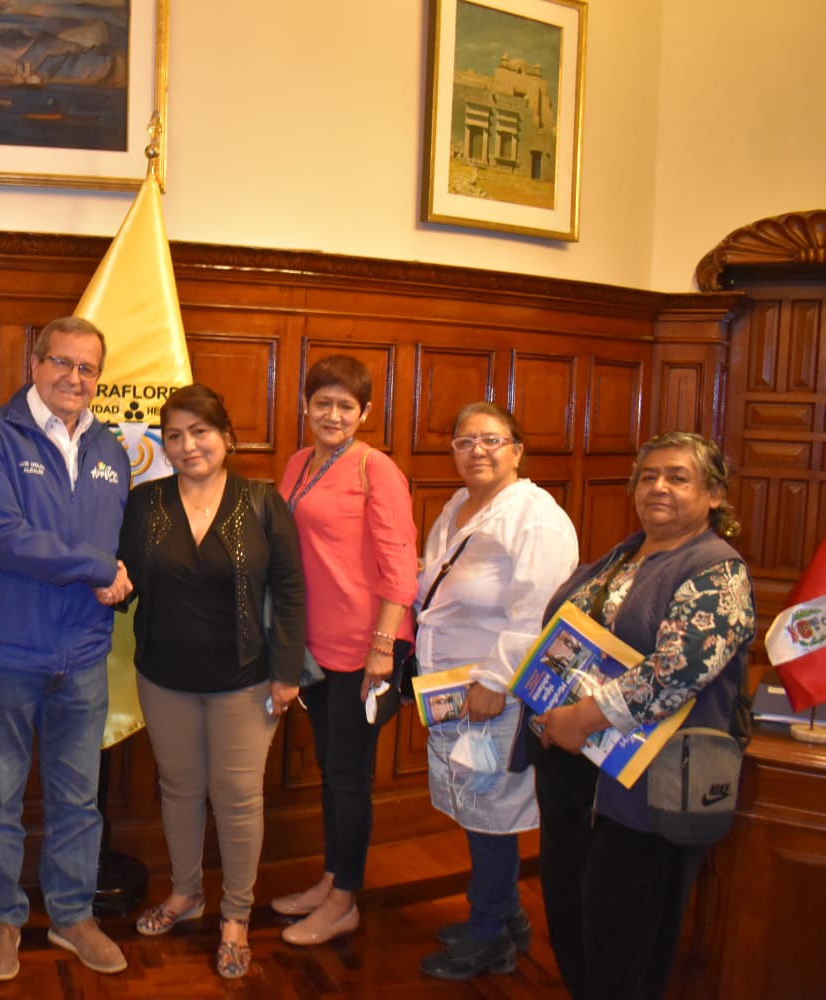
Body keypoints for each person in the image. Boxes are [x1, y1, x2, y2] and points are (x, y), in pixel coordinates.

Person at [530, 432, 755, 1000]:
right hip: (576, 771)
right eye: (648, 476)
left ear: (715, 495)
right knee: (573, 913)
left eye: (677, 477)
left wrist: (582, 717)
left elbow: (677, 673)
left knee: (625, 935)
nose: (658, 486)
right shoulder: (626, 553)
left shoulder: (716, 570)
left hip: (648, 785)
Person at [0, 316, 133, 982]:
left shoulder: (111, 450)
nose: (75, 378)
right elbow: (1, 536)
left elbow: (120, 547)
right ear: (35, 364)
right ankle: (4, 920)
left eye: (88, 368)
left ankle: (71, 915)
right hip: (7, 653)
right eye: (63, 362)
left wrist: (119, 578)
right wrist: (95, 569)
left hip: (83, 656)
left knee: (77, 802)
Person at [115, 385, 305, 980]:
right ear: (164, 445)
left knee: (238, 798)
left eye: (200, 432)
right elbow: (123, 577)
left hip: (245, 681)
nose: (188, 445)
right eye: (174, 435)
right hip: (164, 677)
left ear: (227, 437)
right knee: (178, 789)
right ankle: (186, 893)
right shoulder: (145, 503)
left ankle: (235, 917)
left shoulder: (263, 501)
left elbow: (293, 592)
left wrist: (286, 672)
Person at [413, 402, 578, 980]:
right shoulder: (461, 505)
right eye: (464, 441)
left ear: (517, 450)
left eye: (490, 439)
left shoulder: (534, 515)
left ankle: (489, 937)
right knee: (472, 805)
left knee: (489, 809)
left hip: (495, 695)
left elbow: (540, 611)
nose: (477, 450)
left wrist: (495, 681)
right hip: (449, 690)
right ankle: (505, 915)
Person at [269, 354, 418, 946]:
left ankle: (345, 901)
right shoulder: (300, 461)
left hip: (368, 650)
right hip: (318, 649)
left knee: (350, 776)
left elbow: (400, 565)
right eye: (322, 402)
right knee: (332, 771)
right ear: (305, 406)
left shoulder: (374, 468)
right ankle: (331, 880)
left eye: (346, 406)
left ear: (365, 413)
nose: (333, 414)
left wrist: (382, 648)